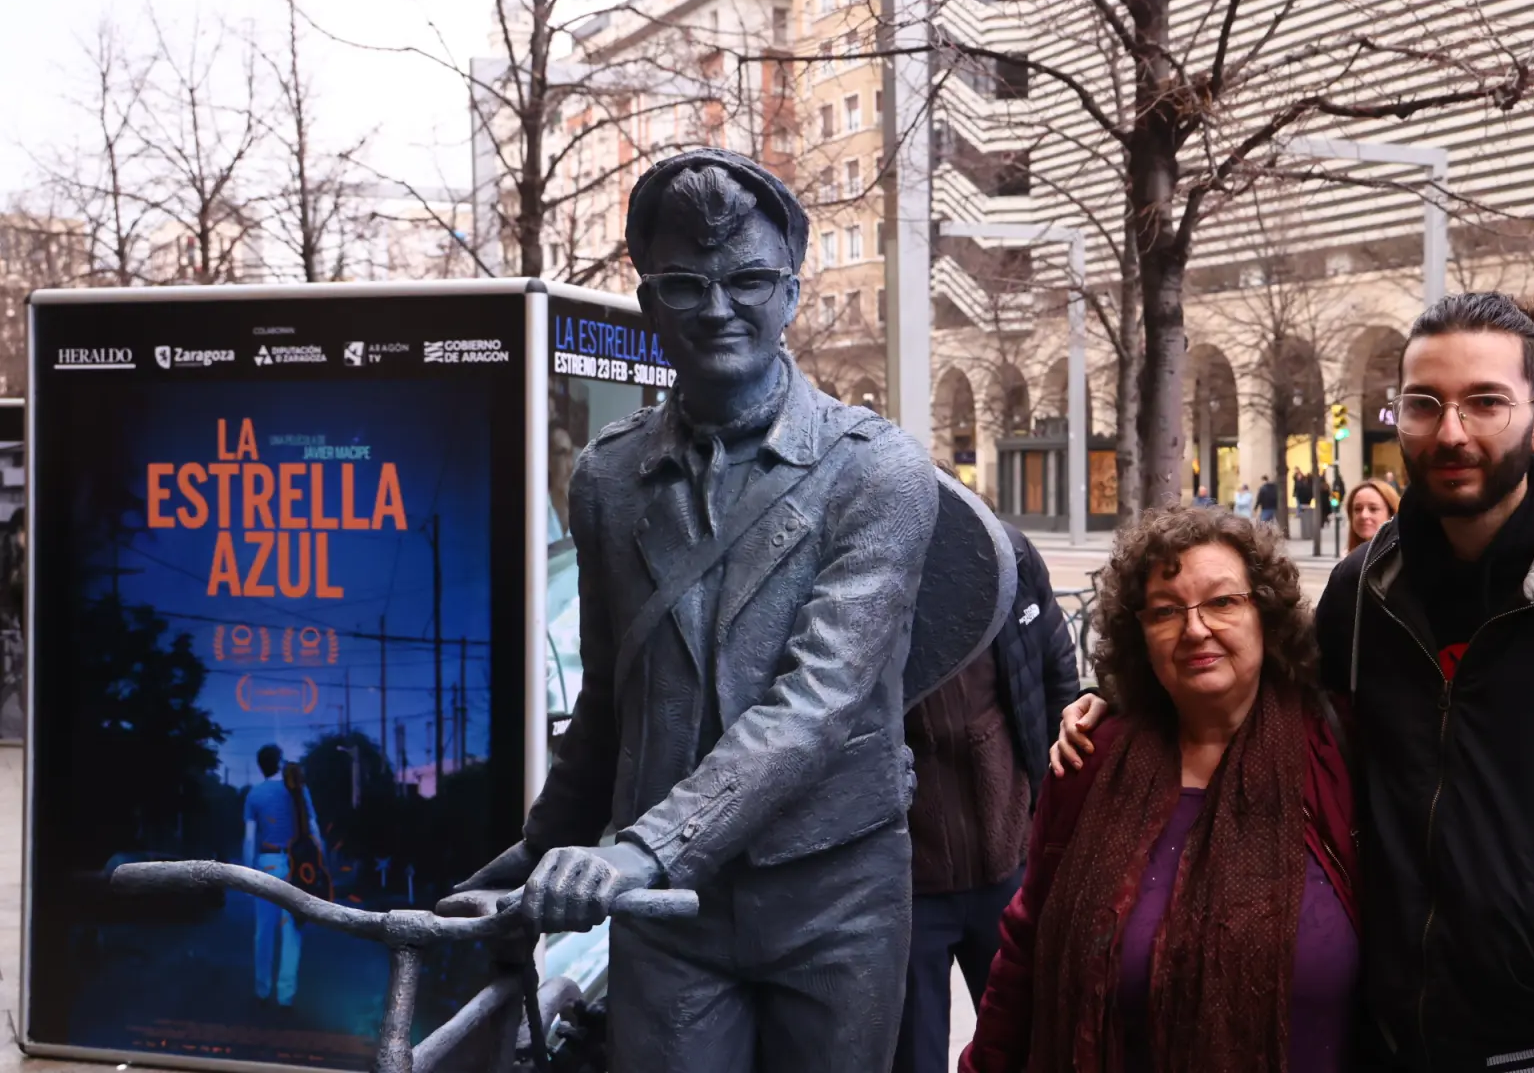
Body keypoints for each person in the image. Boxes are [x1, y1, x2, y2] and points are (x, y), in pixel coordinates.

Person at [1057, 293, 1534, 1071]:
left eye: (1484, 403)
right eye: (1424, 404)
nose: (1450, 432)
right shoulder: (1362, 591)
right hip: (1397, 1042)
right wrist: (1131, 705)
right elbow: (1265, 706)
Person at [452, 150, 946, 1073]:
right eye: (685, 285)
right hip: (668, 917)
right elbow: (608, 703)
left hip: (833, 897)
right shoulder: (606, 480)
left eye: (749, 280)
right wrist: (540, 854)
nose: (719, 309)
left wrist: (637, 851)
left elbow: (817, 705)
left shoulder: (878, 473)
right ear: (649, 306)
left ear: (794, 293)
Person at [964, 506, 1358, 1073]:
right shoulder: (1090, 763)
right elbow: (1024, 957)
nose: (1195, 628)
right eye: (1167, 611)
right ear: (1140, 634)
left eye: (1223, 602)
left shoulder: (1341, 756)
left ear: (1266, 616)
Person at [895, 516, 1081, 1073]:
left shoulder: (1009, 556)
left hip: (1007, 860)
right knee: (913, 1053)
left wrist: (1049, 811)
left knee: (1028, 1043)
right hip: (908, 882)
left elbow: (1057, 678)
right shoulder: (866, 565)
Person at [241, 745, 324, 1008]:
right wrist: (321, 862)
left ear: (260, 766)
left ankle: (261, 990)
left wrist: (246, 873)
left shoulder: (254, 794)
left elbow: (250, 838)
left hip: (266, 863)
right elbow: (313, 828)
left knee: (263, 931)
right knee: (292, 931)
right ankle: (285, 995)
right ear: (279, 763)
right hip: (296, 864)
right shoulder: (298, 790)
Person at [1344, 478, 1400, 553]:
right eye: (1358, 509)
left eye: (1373, 509)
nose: (1364, 515)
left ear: (1391, 513)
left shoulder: (1404, 558)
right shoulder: (1349, 559)